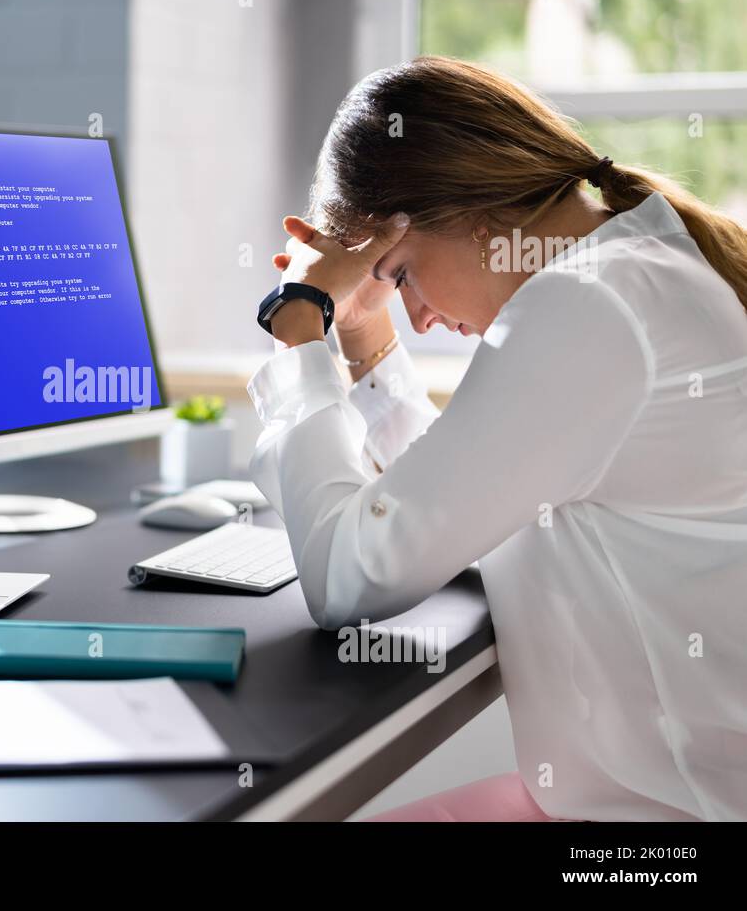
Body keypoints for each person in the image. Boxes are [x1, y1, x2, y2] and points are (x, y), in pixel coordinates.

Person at [248, 56, 747, 821]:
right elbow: (477, 494)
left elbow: (348, 578)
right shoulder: (631, 273)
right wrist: (365, 333)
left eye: (402, 274)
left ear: (470, 216)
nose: (419, 317)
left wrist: (298, 327)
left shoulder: (587, 308)